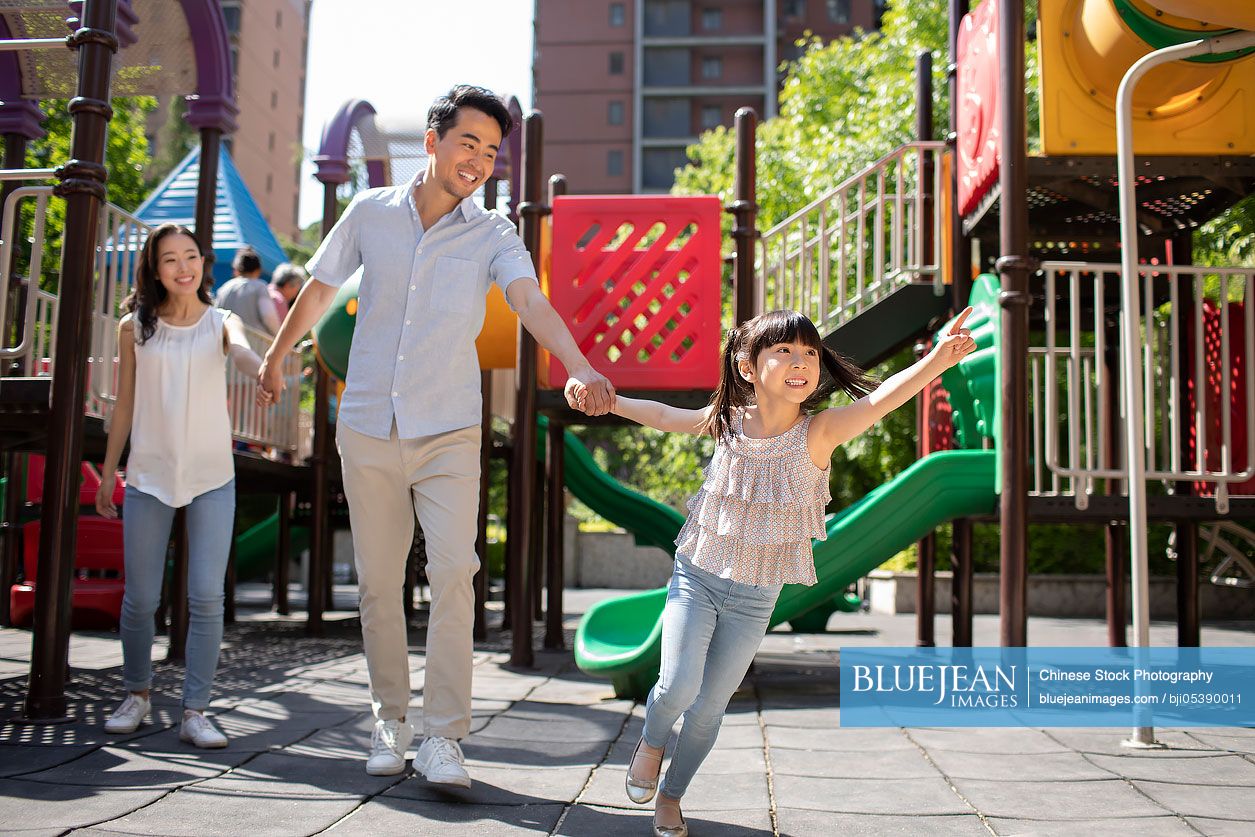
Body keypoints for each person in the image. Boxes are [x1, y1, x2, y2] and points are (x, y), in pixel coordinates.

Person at [256, 84, 614, 788]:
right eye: (467, 144)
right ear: (432, 142)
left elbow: (528, 300)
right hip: (368, 424)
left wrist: (578, 365)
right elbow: (321, 287)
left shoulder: (493, 233)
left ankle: (444, 736)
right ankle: (390, 720)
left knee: (454, 571)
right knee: (378, 583)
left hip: (448, 428)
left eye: (491, 151)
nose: (478, 161)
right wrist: (275, 356)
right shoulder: (370, 212)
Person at [605, 307, 975, 836]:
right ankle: (652, 740)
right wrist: (611, 401)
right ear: (748, 366)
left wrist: (937, 360)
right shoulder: (728, 421)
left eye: (809, 352)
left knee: (710, 708)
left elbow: (882, 399)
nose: (801, 362)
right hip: (698, 575)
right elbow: (665, 416)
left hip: (755, 596)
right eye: (784, 351)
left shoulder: (820, 431)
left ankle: (671, 795)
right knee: (677, 686)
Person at [96, 223, 265, 748]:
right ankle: (137, 695)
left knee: (207, 597)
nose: (183, 267)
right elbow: (124, 403)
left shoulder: (222, 321)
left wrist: (264, 370)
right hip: (148, 474)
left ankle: (196, 710)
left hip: (212, 476)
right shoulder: (134, 328)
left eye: (190, 256)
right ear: (155, 269)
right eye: (170, 259)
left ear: (202, 263)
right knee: (140, 599)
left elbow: (242, 352)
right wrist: (108, 471)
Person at [215, 246, 281, 335]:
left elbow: (217, 314)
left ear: (237, 269)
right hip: (254, 340)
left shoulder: (225, 288)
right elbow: (268, 316)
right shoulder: (259, 287)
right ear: (258, 270)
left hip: (227, 338)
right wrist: (278, 334)